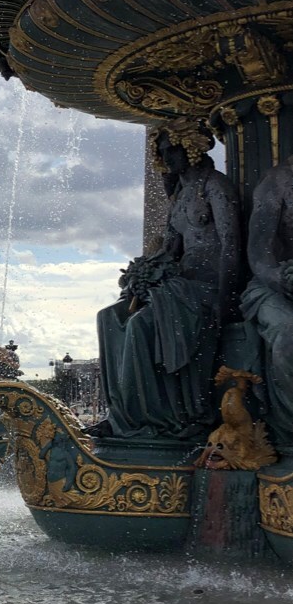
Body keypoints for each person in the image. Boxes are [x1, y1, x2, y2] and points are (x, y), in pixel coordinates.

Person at [96, 120, 241, 439]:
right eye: (162, 152)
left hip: (207, 289)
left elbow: (232, 245)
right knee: (109, 317)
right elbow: (171, 250)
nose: (167, 159)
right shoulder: (178, 199)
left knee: (139, 325)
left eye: (171, 150)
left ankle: (149, 418)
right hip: (180, 286)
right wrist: (142, 274)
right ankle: (119, 413)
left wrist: (228, 299)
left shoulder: (215, 187)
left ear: (189, 147)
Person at [241, 156, 293, 445]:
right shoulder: (277, 181)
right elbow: (259, 253)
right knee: (289, 332)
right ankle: (289, 435)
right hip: (273, 284)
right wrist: (281, 278)